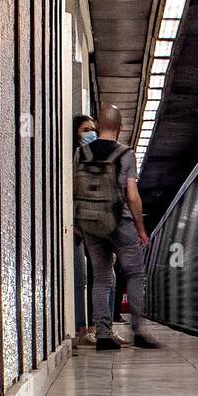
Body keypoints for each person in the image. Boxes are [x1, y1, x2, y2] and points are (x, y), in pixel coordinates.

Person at [74, 104, 159, 349]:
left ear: (98, 126)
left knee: (101, 277)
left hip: (90, 222)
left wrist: (79, 221)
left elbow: (74, 189)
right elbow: (132, 195)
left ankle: (102, 335)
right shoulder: (126, 154)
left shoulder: (81, 153)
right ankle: (139, 331)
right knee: (134, 273)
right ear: (120, 128)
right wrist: (141, 228)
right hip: (119, 221)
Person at [72, 115, 97, 345]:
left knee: (101, 276)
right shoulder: (74, 159)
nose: (91, 133)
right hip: (77, 227)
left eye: (93, 129)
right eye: (85, 129)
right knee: (80, 277)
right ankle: (81, 329)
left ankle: (96, 328)